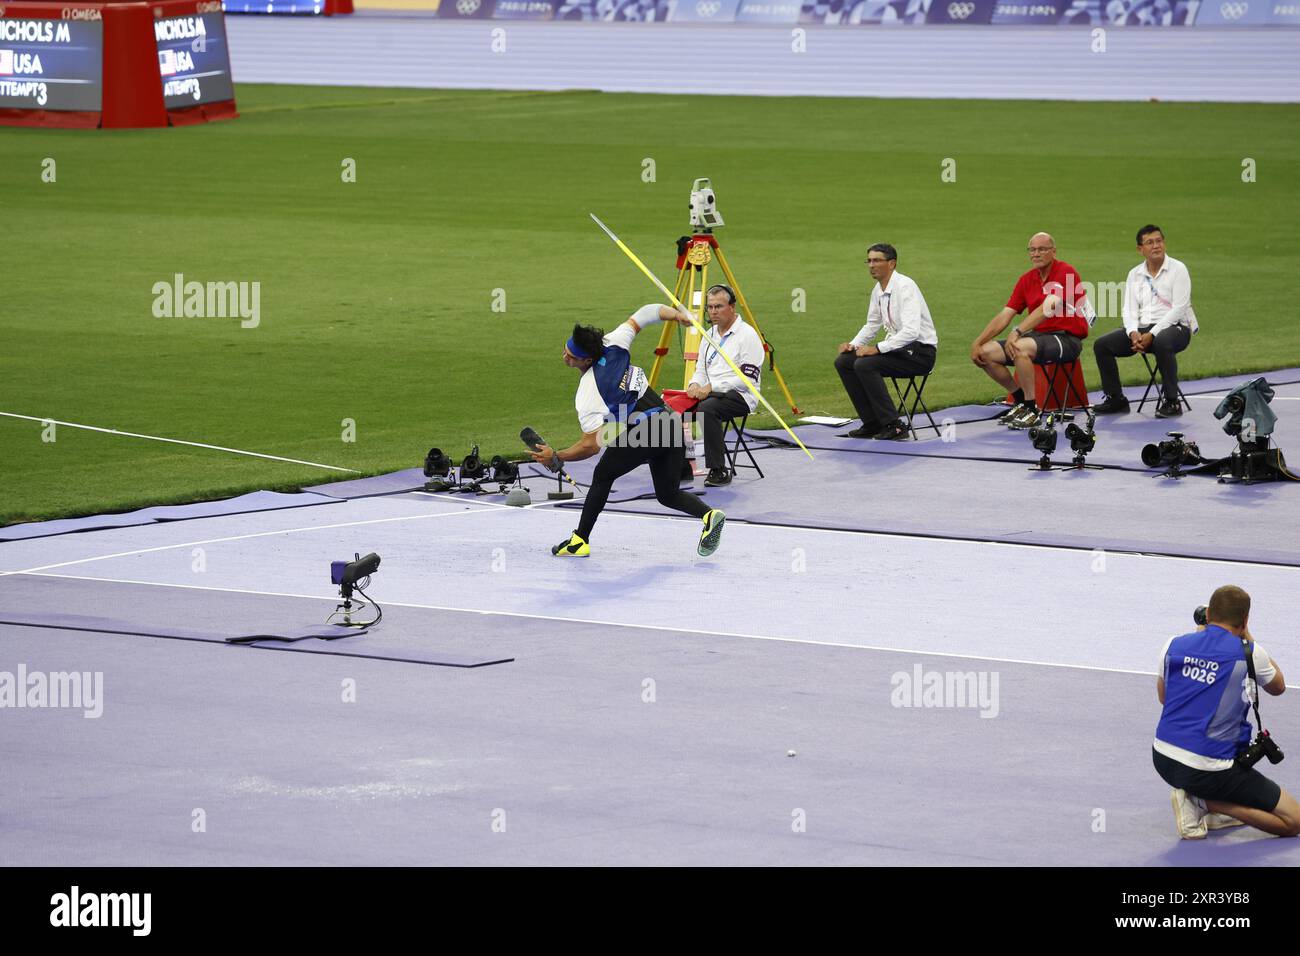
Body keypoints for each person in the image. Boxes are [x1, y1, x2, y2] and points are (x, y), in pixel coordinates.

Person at [530, 303, 726, 558]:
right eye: (565, 351)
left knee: (602, 475)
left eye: (570, 356)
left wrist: (556, 456)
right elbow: (648, 312)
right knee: (667, 494)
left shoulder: (589, 393)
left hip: (648, 431)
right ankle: (710, 516)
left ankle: (579, 542)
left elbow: (590, 445)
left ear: (587, 359)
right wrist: (677, 316)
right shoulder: (614, 342)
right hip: (671, 424)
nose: (564, 357)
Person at [1153, 585, 1300, 840]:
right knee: (1293, 821)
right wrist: (1247, 637)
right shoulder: (1251, 654)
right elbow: (1278, 687)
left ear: (1207, 614)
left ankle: (1200, 796)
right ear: (1245, 620)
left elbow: (1165, 699)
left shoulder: (1173, 644)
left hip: (1163, 758)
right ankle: (1202, 803)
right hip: (1208, 770)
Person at [969, 232, 1093, 430]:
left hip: (1067, 338)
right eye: (1032, 250)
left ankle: (1032, 409)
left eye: (1042, 249)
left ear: (1053, 251)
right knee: (986, 353)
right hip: (1039, 337)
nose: (1036, 254)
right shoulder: (1027, 279)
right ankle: (1019, 402)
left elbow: (1049, 307)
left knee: (1020, 347)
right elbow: (1005, 314)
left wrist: (1017, 331)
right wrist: (978, 342)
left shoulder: (1066, 272)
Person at [834, 243, 938, 440]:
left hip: (920, 353)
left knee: (865, 364)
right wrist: (853, 344)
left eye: (877, 260)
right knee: (844, 361)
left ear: (892, 263)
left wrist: (877, 348)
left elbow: (911, 332)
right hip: (899, 350)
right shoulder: (878, 290)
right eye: (869, 261)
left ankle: (895, 425)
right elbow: (872, 324)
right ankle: (872, 422)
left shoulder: (905, 287)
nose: (871, 265)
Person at [1093, 224, 1198, 418]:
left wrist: (1152, 334)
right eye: (1150, 242)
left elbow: (1179, 309)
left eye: (1159, 241)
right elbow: (1129, 309)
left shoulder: (1178, 269)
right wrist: (1133, 333)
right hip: (1142, 329)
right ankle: (1116, 399)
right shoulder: (1135, 274)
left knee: (1162, 341)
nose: (1156, 246)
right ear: (1140, 249)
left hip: (1176, 328)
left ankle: (1172, 402)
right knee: (1102, 345)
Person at [684, 284, 764, 487]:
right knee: (672, 408)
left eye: (718, 306)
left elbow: (747, 378)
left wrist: (712, 386)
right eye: (710, 307)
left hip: (741, 395)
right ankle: (679, 466)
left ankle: (718, 470)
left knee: (707, 409)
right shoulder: (709, 334)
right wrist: (694, 384)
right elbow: (701, 369)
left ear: (732, 307)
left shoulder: (747, 335)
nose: (713, 312)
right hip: (710, 392)